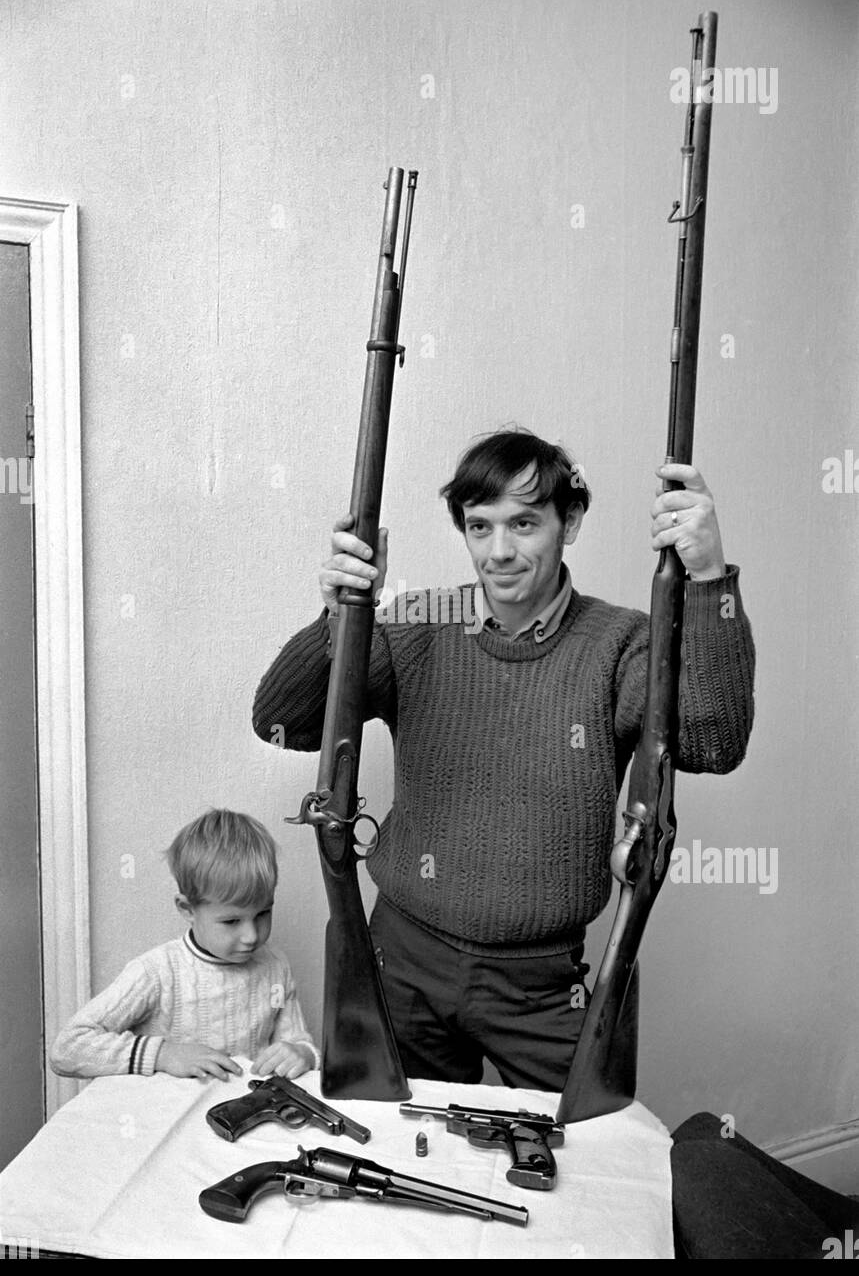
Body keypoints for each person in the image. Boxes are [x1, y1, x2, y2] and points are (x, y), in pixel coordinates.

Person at [252, 428, 755, 1092]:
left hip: (541, 990)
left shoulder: (621, 642)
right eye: (478, 526)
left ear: (568, 522)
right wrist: (339, 615)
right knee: (398, 1159)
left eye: (523, 523)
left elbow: (712, 744)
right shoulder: (418, 623)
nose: (499, 551)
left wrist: (708, 578)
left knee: (581, 1169)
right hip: (401, 963)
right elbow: (282, 723)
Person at [50, 809, 319, 1082]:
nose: (251, 935)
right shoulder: (156, 971)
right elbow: (68, 1048)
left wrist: (301, 1053)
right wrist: (164, 1054)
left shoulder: (275, 965)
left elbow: (295, 1040)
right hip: (165, 1118)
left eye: (263, 914)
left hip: (247, 1114)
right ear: (187, 908)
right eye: (231, 921)